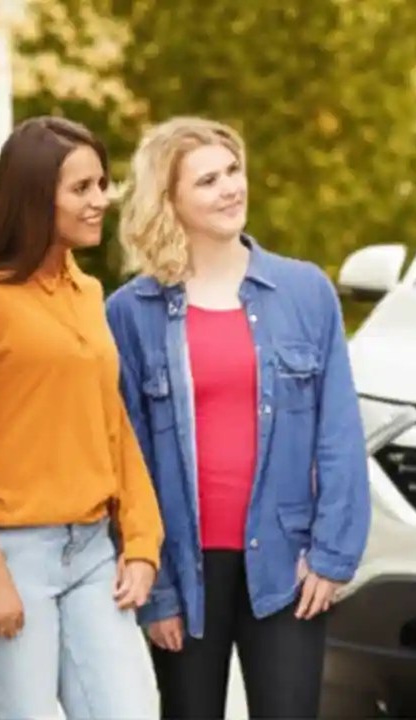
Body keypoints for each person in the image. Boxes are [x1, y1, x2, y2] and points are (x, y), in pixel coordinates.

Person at [105, 116, 370, 719]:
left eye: (233, 171)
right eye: (206, 181)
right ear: (168, 200)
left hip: (287, 563)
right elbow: (130, 455)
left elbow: (339, 432)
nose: (230, 188)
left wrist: (332, 552)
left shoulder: (306, 293)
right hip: (183, 565)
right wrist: (158, 588)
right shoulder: (131, 312)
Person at [0, 116, 164, 719]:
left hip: (93, 552)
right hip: (13, 555)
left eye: (102, 184)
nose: (101, 200)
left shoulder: (87, 292)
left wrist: (142, 542)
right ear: (38, 197)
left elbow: (111, 423)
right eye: (83, 189)